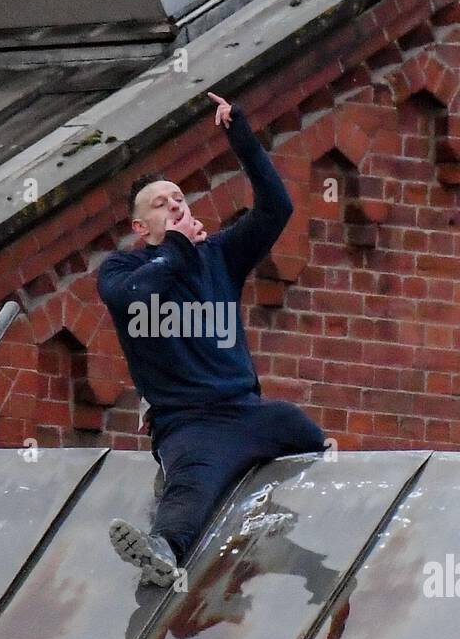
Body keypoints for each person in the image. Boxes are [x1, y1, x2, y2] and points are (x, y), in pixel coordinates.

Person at [96, 91, 327, 586]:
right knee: (190, 491)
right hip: (188, 423)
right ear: (141, 227)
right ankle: (161, 553)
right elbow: (134, 295)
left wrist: (241, 137)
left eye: (179, 198)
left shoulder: (219, 255)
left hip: (246, 411)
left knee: (302, 430)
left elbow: (275, 208)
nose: (175, 205)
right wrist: (179, 247)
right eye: (162, 204)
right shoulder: (125, 268)